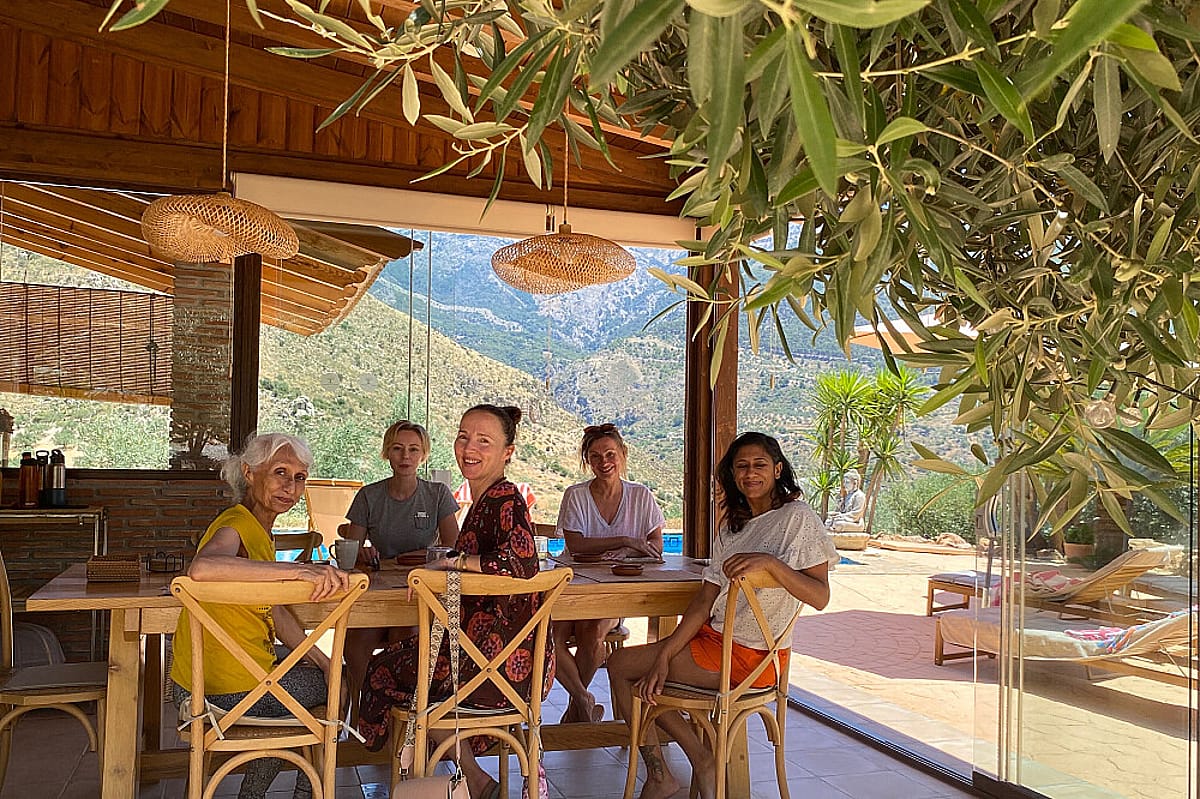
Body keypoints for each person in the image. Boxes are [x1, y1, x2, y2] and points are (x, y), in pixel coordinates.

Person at [607, 432, 838, 799]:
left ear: (778, 469)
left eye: (759, 464)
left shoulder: (797, 518)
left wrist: (771, 564)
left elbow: (821, 596)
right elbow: (703, 602)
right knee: (636, 671)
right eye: (741, 466)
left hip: (753, 659)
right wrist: (665, 653)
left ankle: (677, 769)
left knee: (620, 667)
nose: (750, 473)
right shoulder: (733, 526)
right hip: (714, 644)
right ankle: (694, 759)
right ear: (732, 474)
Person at [357, 404, 550, 799]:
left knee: (384, 670)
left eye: (484, 440)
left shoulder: (505, 499)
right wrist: (446, 573)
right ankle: (470, 779)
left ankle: (403, 766)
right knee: (411, 675)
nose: (469, 447)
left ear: (507, 452)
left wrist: (454, 562)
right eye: (463, 436)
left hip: (491, 667)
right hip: (509, 670)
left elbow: (523, 561)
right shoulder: (486, 500)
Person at [170, 433, 352, 799]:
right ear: (249, 473)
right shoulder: (234, 524)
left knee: (330, 675)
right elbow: (202, 568)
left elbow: (276, 613)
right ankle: (301, 793)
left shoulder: (258, 530)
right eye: (280, 472)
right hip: (224, 692)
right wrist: (298, 572)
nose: (291, 486)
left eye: (300, 477)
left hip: (211, 682)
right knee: (332, 692)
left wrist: (326, 661)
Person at [341, 420, 459, 706]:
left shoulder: (437, 494)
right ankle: (359, 710)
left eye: (413, 449)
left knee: (405, 635)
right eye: (397, 448)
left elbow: (454, 547)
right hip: (379, 592)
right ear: (387, 453)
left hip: (421, 593)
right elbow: (351, 548)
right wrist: (364, 553)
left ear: (423, 455)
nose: (405, 456)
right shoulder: (369, 495)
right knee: (355, 642)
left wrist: (417, 557)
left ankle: (395, 712)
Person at [554, 422, 664, 724]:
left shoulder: (641, 496)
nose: (604, 462)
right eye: (596, 456)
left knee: (591, 635)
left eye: (610, 454)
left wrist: (629, 552)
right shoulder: (576, 495)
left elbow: (655, 545)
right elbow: (576, 546)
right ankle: (584, 698)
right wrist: (627, 540)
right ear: (587, 460)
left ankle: (578, 706)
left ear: (623, 454)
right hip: (572, 590)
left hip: (615, 592)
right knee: (550, 638)